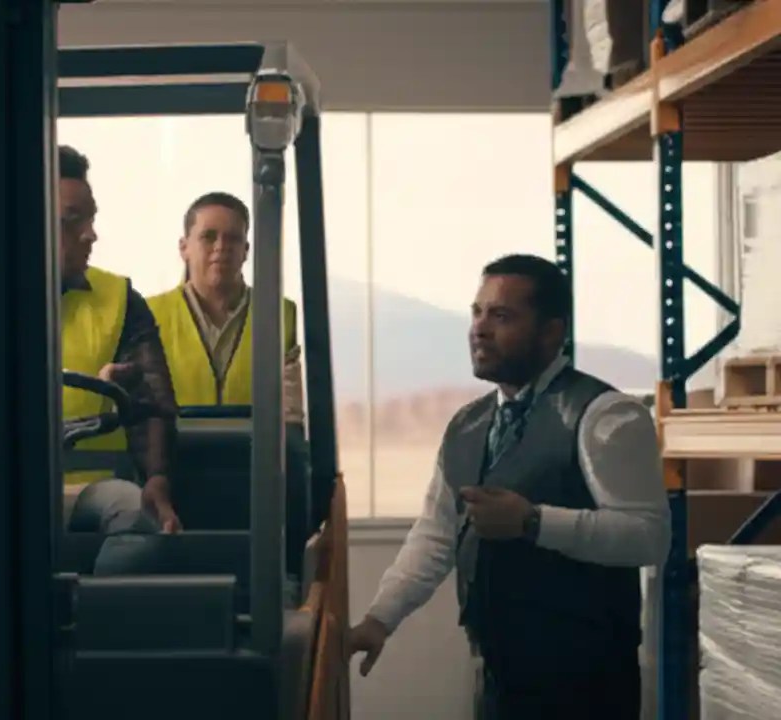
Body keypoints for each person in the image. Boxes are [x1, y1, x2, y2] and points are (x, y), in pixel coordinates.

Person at [345, 254, 670, 719]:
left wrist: (533, 523)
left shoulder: (606, 416)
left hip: (586, 685)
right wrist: (379, 620)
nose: (480, 328)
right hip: (498, 681)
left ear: (551, 331)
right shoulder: (467, 425)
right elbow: (437, 535)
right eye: (477, 313)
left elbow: (649, 537)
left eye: (502, 316)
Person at [0, 145, 182, 574]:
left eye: (91, 218)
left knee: (138, 525)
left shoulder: (121, 302)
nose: (91, 234)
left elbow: (153, 406)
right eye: (73, 222)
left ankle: (81, 629)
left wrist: (158, 480)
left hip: (86, 480)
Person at [145, 191, 305, 423]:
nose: (221, 247)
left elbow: (290, 416)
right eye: (209, 236)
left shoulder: (279, 313)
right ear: (184, 248)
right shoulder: (149, 315)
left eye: (233, 238)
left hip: (253, 458)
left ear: (246, 250)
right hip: (173, 456)